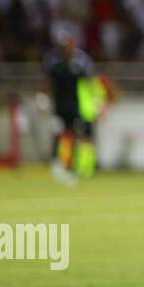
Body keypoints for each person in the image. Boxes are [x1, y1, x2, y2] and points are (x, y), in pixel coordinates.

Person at [43, 33, 94, 186]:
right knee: (58, 135)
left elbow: (88, 85)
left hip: (74, 108)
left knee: (74, 137)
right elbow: (48, 84)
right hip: (59, 108)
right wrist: (43, 96)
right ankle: (55, 163)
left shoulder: (78, 68)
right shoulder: (56, 68)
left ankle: (71, 167)